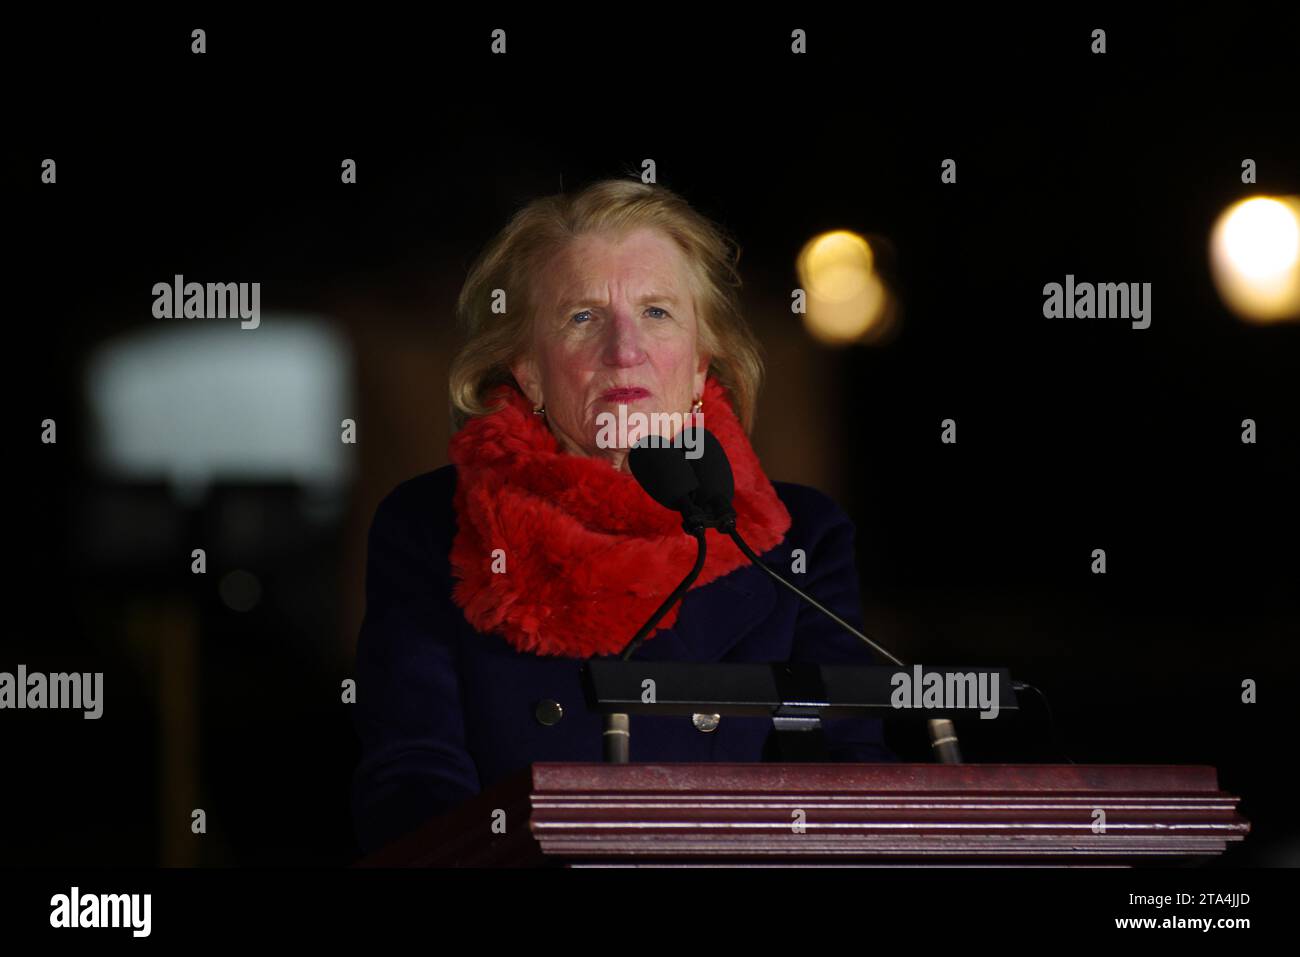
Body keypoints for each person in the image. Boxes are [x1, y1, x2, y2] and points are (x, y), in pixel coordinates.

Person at [350, 178, 897, 857]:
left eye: (658, 312)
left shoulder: (799, 538)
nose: (624, 349)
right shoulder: (432, 525)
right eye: (581, 316)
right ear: (526, 370)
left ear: (700, 364)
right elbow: (413, 782)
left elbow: (844, 787)